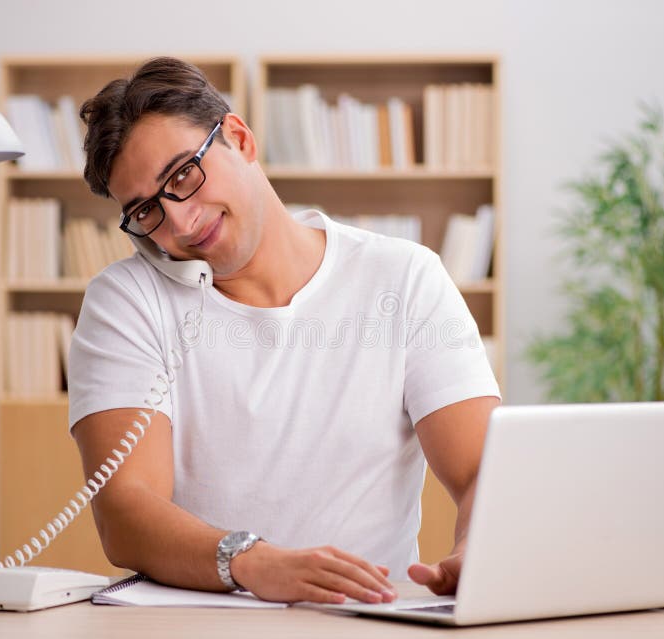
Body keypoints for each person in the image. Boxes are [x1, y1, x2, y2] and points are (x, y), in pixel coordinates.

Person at [69, 57, 500, 605]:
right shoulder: (125, 302)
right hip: (197, 622)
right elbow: (125, 510)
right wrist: (250, 563)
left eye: (183, 175)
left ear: (240, 139)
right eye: (147, 211)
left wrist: (476, 550)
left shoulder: (404, 277)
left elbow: (482, 470)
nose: (178, 222)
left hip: (366, 618)